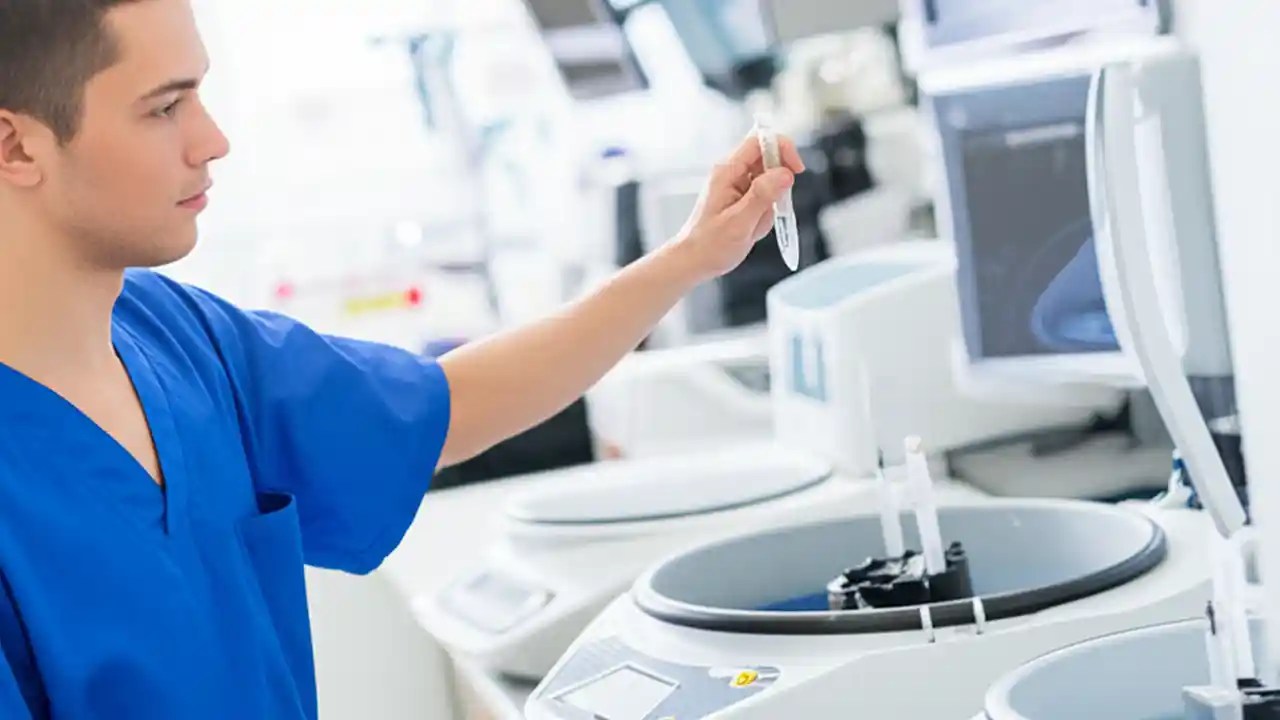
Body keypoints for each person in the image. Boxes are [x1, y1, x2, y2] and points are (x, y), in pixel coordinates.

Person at [0, 1, 804, 718]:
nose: (213, 141)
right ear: (16, 146)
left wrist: (691, 256)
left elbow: (447, 407)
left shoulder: (177, 338)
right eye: (165, 107)